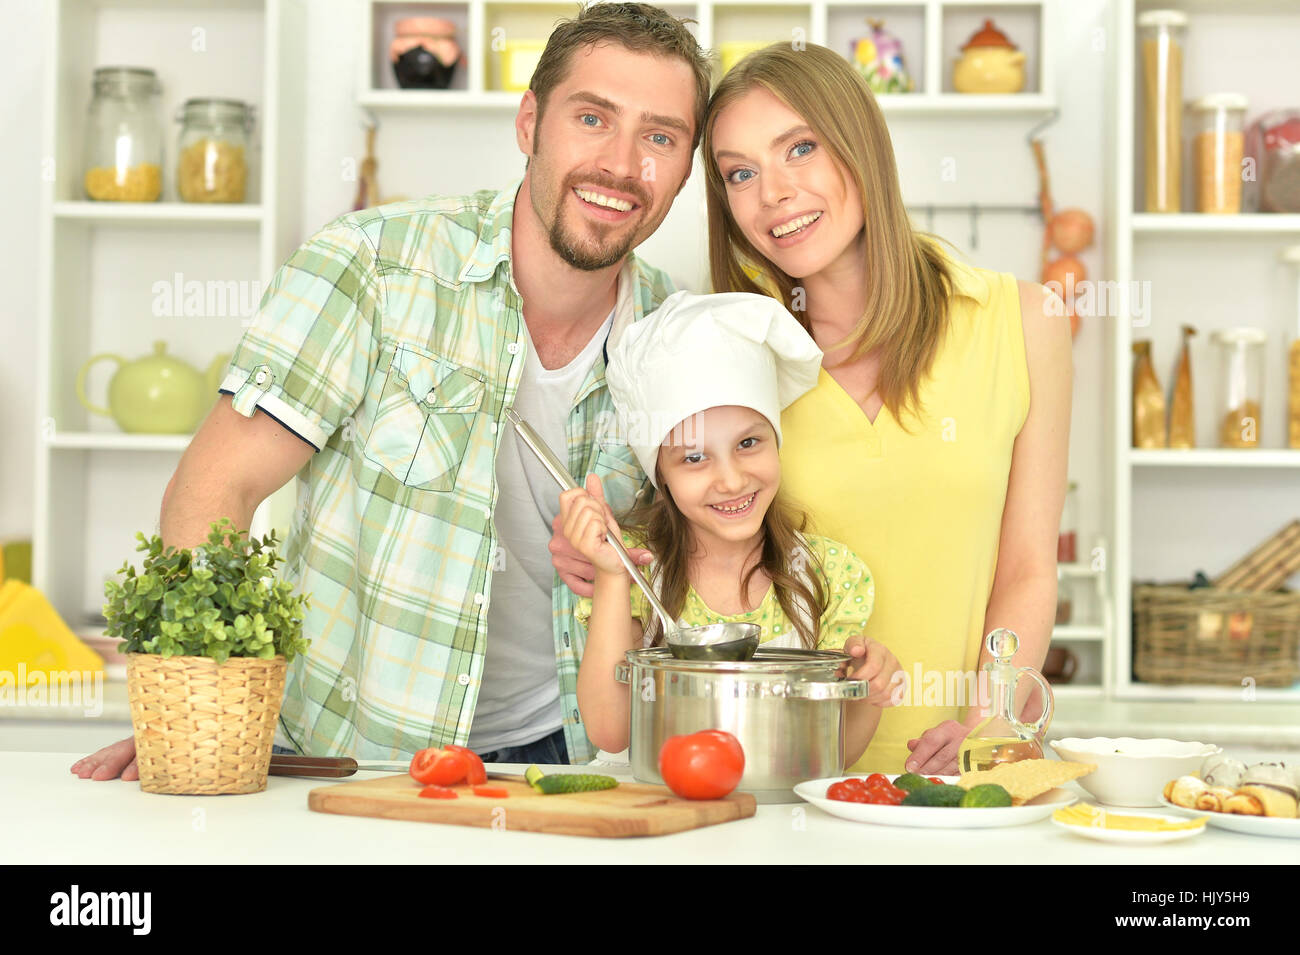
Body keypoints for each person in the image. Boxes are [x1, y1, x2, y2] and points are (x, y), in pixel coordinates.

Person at [70, 2, 711, 781]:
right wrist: (199, 706)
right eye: (592, 118)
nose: (620, 163)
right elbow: (216, 487)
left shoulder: (676, 333)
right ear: (529, 122)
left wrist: (639, 570)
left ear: (685, 169)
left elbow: (703, 557)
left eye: (660, 137)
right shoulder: (370, 266)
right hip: (355, 755)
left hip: (571, 761)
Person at [552, 43, 1072, 776]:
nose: (774, 194)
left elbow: (1027, 568)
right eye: (741, 172)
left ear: (861, 144)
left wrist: (990, 725)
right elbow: (658, 529)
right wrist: (594, 553)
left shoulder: (1023, 321)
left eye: (800, 148)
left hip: (956, 773)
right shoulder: (724, 352)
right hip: (780, 779)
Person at [557, 291, 901, 757]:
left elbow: (834, 751)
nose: (732, 479)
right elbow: (612, 730)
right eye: (694, 458)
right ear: (661, 476)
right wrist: (614, 575)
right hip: (657, 813)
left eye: (749, 443)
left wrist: (870, 690)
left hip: (775, 816)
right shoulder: (635, 569)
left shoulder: (830, 573)